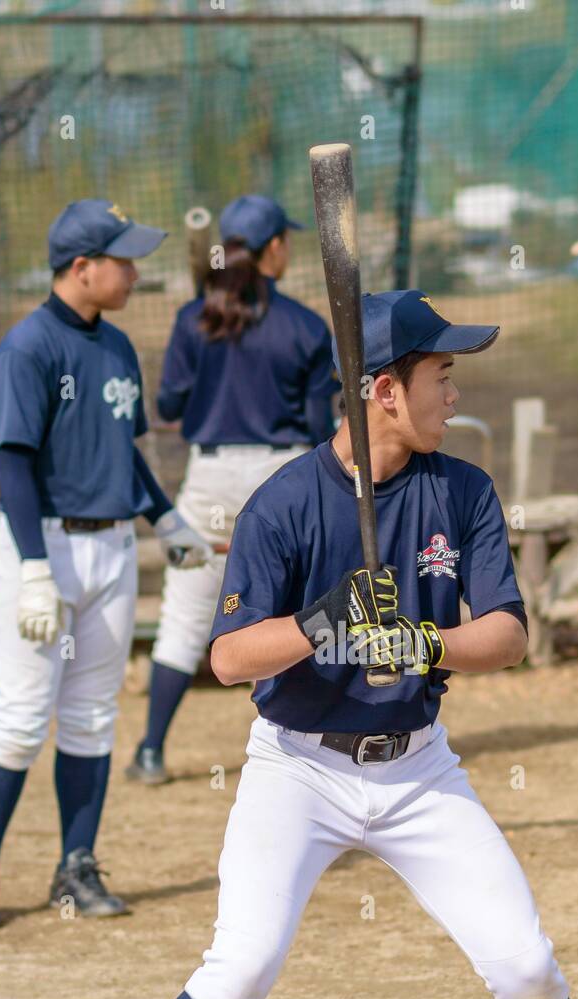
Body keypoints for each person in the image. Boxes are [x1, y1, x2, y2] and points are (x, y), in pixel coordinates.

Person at [100, 289, 578, 999]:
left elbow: (507, 633)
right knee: (244, 962)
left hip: (420, 769)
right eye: (441, 376)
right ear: (384, 391)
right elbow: (226, 659)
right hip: (298, 768)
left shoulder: (460, 490)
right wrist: (321, 622)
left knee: (525, 964)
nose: (453, 392)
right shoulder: (286, 503)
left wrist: (419, 638)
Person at [0, 199, 214, 930]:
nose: (135, 272)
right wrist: (33, 567)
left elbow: (124, 453)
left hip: (113, 548)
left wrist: (168, 519)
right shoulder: (28, 348)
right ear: (81, 268)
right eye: (123, 260)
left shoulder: (119, 346)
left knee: (93, 716)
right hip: (47, 545)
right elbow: (13, 463)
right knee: (19, 718)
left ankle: (77, 865)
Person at [125, 194, 339, 785]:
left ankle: (150, 751)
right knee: (298, 612)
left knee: (187, 614)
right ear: (273, 248)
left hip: (212, 475)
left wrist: (211, 351)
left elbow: (167, 404)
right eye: (285, 241)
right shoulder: (304, 325)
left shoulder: (195, 318)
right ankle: (310, 743)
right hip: (284, 475)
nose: (288, 249)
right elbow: (324, 425)